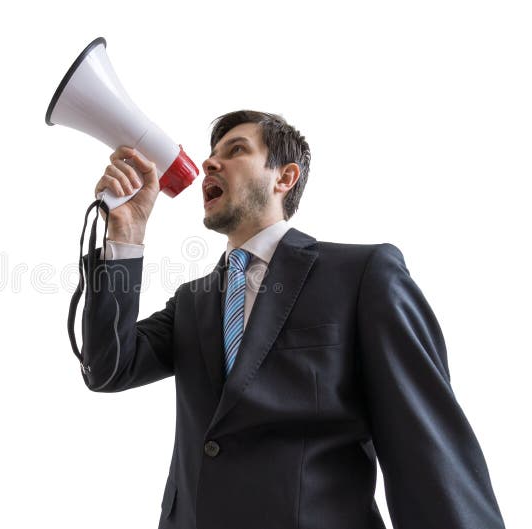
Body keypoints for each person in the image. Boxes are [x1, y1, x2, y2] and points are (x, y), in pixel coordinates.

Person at [78, 110, 505, 529]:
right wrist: (126, 235)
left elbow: (425, 443)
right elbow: (107, 366)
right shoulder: (193, 301)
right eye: (212, 153)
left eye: (236, 149)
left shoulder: (362, 275)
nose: (210, 162)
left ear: (285, 178)